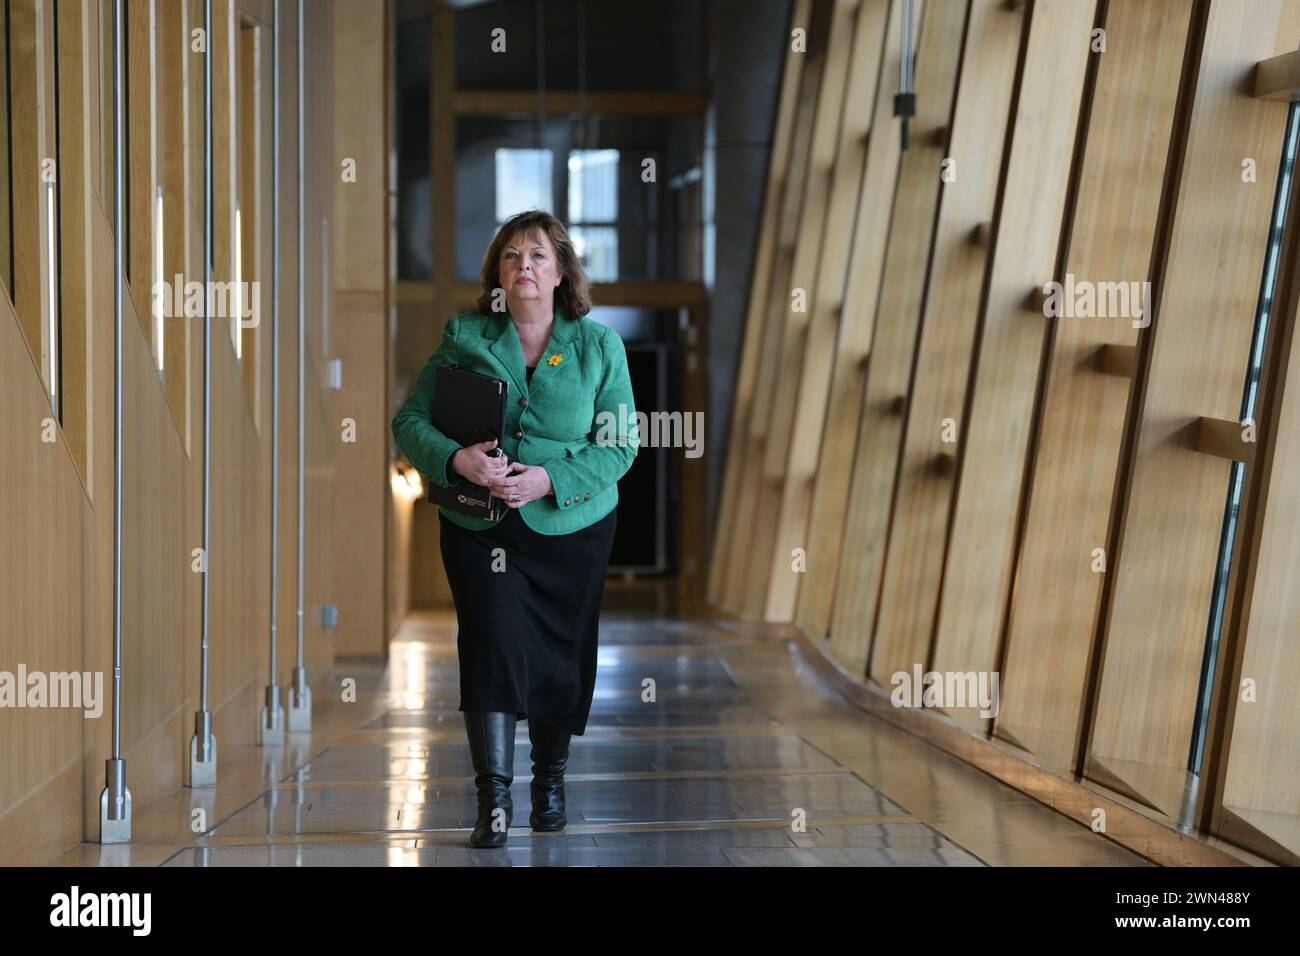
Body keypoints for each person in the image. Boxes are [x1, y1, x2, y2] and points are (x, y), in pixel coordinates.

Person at [391, 209, 640, 847]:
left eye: (536, 256)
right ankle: (492, 799)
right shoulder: (465, 336)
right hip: (482, 524)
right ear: (498, 274)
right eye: (510, 256)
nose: (522, 266)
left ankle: (549, 783)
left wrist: (548, 480)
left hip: (573, 525)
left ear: (561, 272)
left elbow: (620, 447)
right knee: (491, 641)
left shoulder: (599, 346)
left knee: (563, 654)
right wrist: (455, 459)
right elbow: (410, 422)